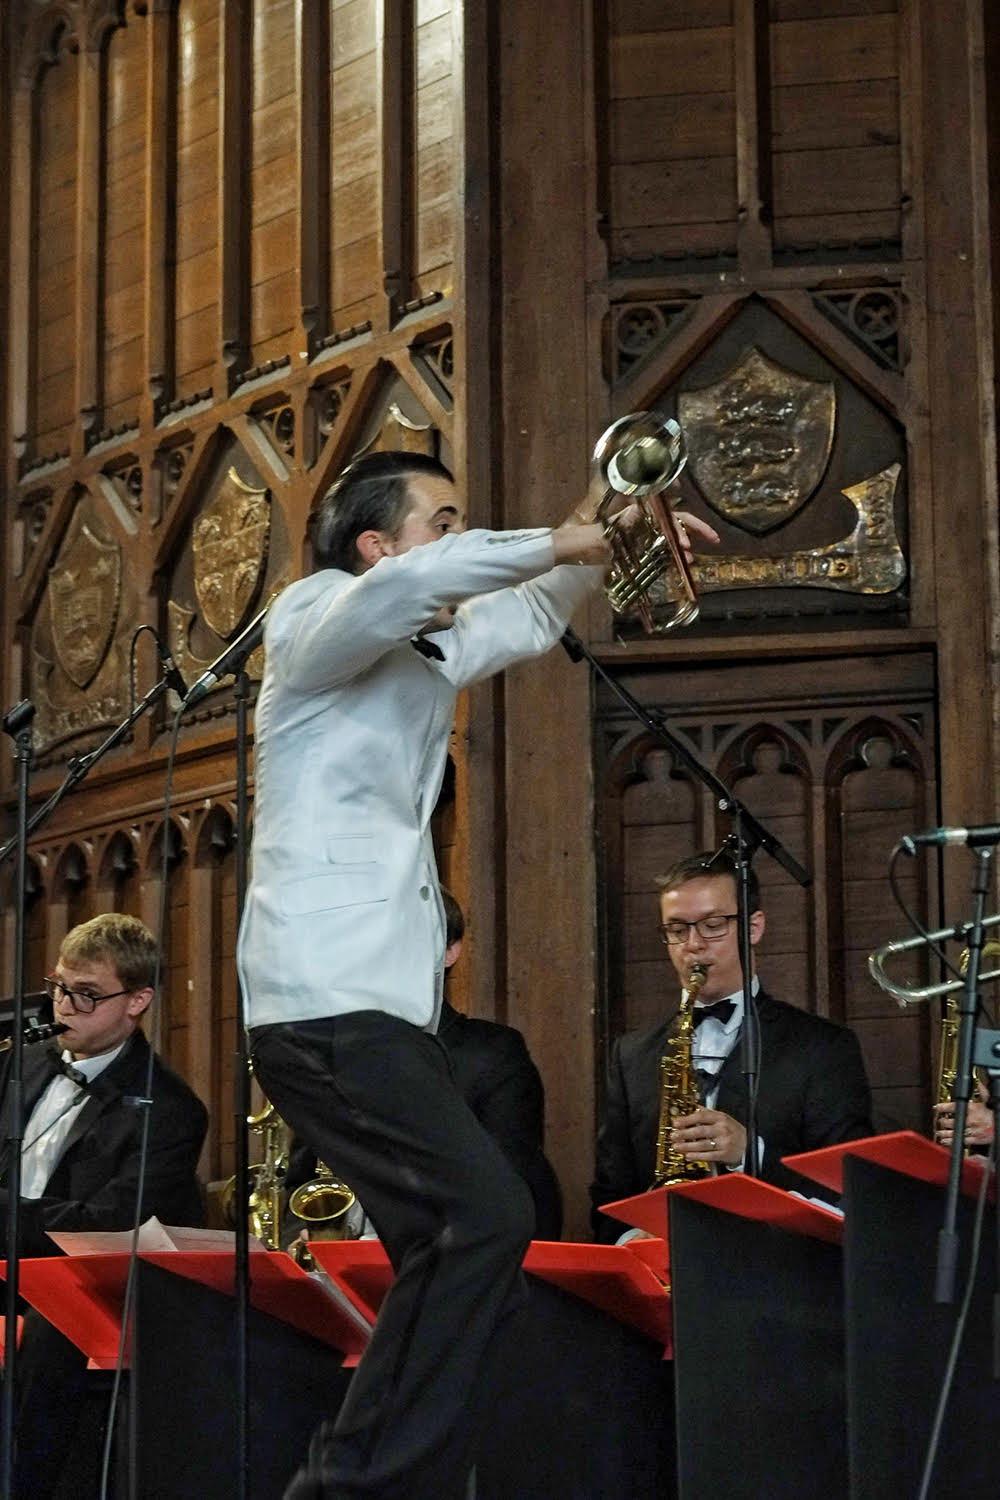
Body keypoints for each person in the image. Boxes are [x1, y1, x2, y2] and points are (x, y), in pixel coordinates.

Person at [238, 449, 716, 1500]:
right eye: (441, 518)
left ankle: (373, 1477)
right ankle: (350, 1484)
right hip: (322, 995)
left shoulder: (418, 654)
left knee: (453, 1244)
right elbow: (418, 585)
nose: (457, 536)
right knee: (485, 1218)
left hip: (372, 1005)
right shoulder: (314, 615)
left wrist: (605, 517)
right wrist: (562, 538)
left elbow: (529, 616)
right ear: (374, 542)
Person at [0, 912, 209, 1496]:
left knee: (52, 1328)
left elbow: (106, 1227)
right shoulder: (20, 1062)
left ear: (138, 999)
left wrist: (6, 1217)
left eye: (87, 995)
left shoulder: (169, 1109)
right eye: (59, 986)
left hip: (79, 1285)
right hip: (7, 1262)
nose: (63, 1006)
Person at [591, 849, 874, 1241]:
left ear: (754, 927)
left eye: (712, 925)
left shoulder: (822, 1047)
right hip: (665, 1280)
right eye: (677, 929)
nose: (693, 945)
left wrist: (748, 1153)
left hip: (780, 1277)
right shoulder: (631, 1054)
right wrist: (630, 1239)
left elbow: (851, 1184)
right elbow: (609, 1194)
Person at [288, 887, 563, 1243]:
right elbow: (298, 1185)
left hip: (448, 1268)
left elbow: (511, 1186)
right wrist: (302, 1237)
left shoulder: (494, 1054)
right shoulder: (331, 1056)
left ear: (450, 951)